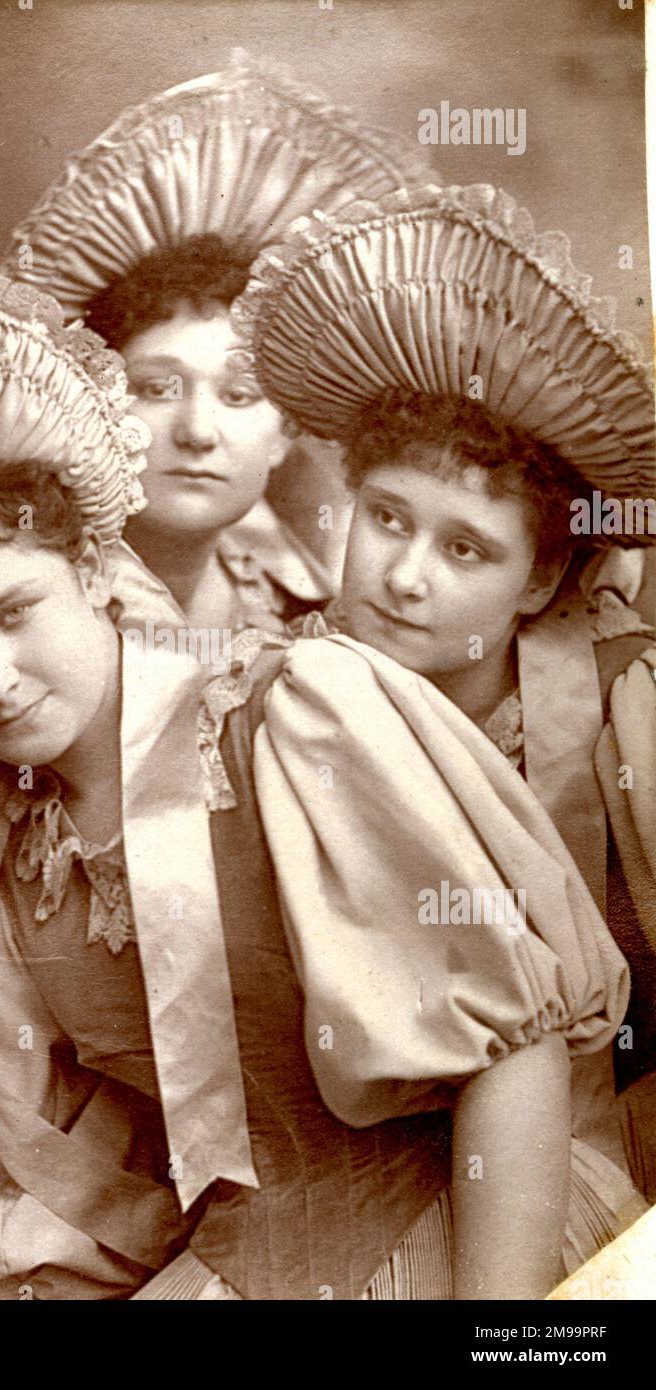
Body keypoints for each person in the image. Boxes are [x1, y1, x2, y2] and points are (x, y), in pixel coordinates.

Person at [0, 274, 640, 1300]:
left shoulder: (296, 712)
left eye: (16, 613)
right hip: (251, 1258)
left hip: (478, 1234)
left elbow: (516, 1047)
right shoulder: (19, 850)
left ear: (99, 571)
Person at [235, 181, 656, 1202]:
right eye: (385, 518)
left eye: (464, 547)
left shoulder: (619, 702)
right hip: (360, 1176)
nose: (404, 576)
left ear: (543, 580)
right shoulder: (285, 694)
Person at [0, 53, 438, 632]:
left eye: (238, 396)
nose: (198, 433)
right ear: (91, 410)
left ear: (286, 434)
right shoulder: (20, 614)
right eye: (156, 388)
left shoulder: (305, 613)